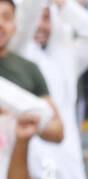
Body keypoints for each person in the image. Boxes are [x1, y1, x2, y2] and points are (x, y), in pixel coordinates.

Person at [13, 0, 88, 179]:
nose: (41, 26)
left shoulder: (66, 56)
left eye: (47, 18)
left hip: (68, 154)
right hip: (33, 154)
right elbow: (25, 22)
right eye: (37, 18)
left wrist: (64, 5)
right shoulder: (19, 54)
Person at [0, 0, 63, 143]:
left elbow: (58, 130)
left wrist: (21, 117)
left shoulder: (29, 69)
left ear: (15, 26)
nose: (0, 24)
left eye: (6, 17)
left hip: (16, 159)